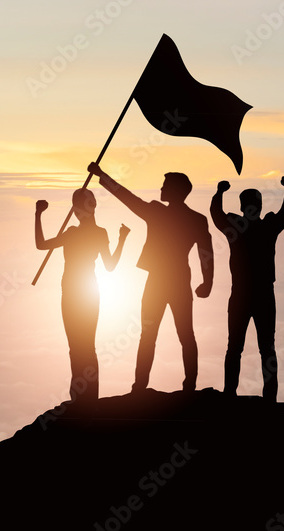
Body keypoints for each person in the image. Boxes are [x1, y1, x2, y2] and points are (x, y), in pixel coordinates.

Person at [87, 162, 213, 393]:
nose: (161, 188)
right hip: (175, 280)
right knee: (181, 334)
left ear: (175, 190)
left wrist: (102, 175)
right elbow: (206, 254)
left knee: (154, 335)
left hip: (159, 281)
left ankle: (142, 387)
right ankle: (183, 387)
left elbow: (128, 198)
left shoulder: (159, 212)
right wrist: (207, 281)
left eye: (165, 185)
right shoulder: (196, 219)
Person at [35, 188, 129, 403]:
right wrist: (122, 239)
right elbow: (111, 266)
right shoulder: (99, 233)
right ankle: (88, 397)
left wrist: (38, 214)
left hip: (73, 293)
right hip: (89, 292)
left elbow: (40, 245)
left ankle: (80, 398)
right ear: (93, 206)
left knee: (77, 347)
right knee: (86, 346)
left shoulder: (73, 234)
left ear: (77, 210)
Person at [210, 175, 284, 403]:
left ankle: (233, 395)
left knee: (240, 347)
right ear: (259, 206)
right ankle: (267, 399)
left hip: (244, 295)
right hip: (260, 295)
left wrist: (219, 193)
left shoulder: (237, 227)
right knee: (263, 348)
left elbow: (217, 216)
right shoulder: (267, 227)